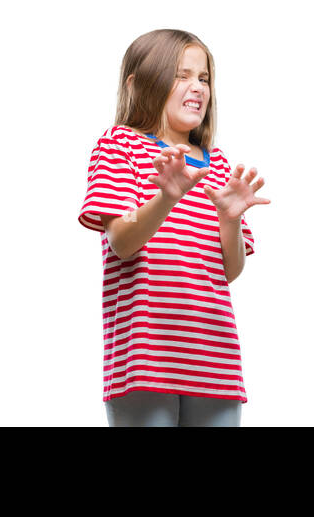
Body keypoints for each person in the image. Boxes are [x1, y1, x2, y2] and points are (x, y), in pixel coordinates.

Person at [78, 29, 269, 427]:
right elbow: (121, 243)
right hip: (145, 361)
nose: (197, 87)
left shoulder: (216, 162)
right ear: (139, 82)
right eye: (182, 75)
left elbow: (229, 271)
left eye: (204, 78)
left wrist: (231, 220)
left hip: (215, 361)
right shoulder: (120, 146)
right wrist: (166, 197)